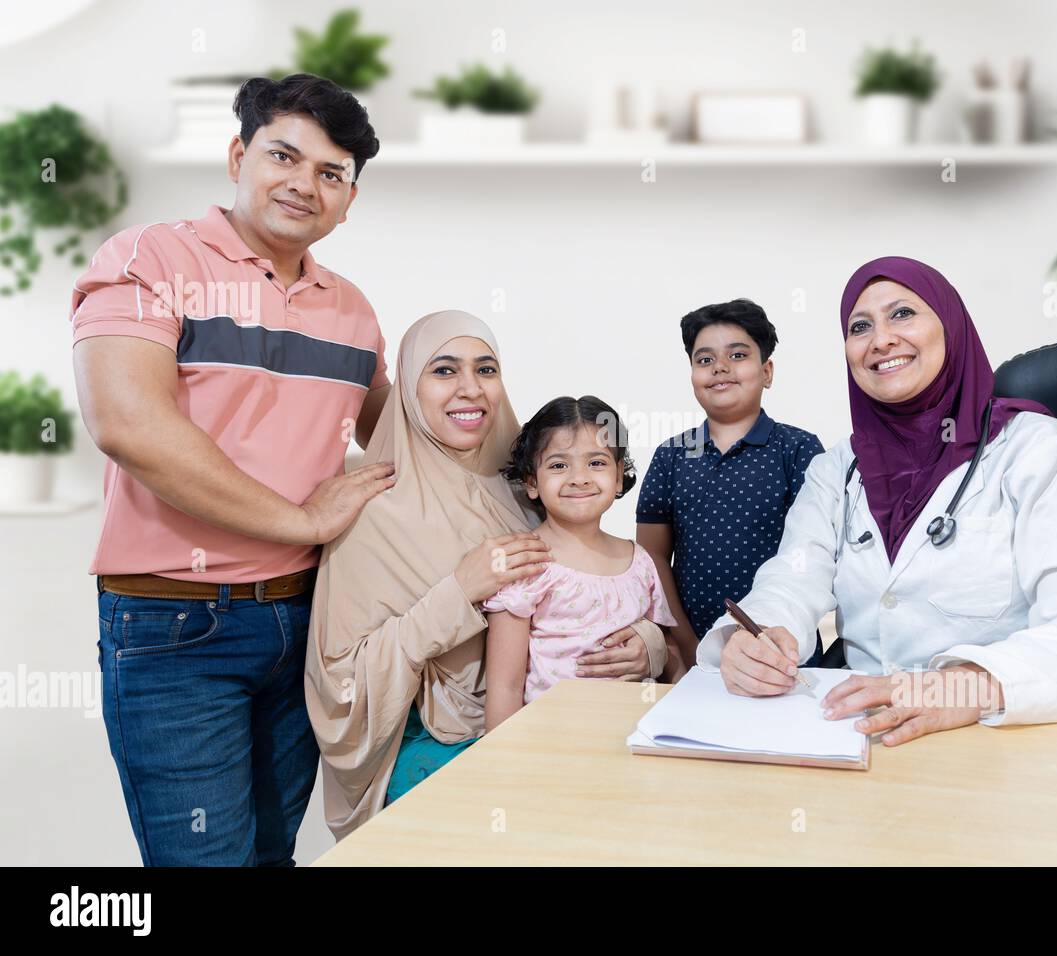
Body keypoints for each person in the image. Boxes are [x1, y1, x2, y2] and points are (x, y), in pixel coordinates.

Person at [72, 74, 392, 865]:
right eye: (285, 155)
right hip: (176, 629)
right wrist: (301, 521)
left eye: (332, 174)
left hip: (310, 623)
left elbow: (411, 445)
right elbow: (131, 426)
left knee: (273, 856)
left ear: (349, 200)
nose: (305, 184)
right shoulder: (149, 257)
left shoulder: (351, 308)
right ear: (238, 155)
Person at [703, 256, 1057, 746]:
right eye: (861, 326)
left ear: (951, 329)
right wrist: (759, 637)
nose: (881, 340)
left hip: (1035, 738)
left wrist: (962, 688)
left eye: (902, 314)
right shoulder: (836, 469)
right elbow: (790, 580)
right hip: (876, 739)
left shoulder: (1045, 452)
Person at [305, 312, 667, 838]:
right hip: (445, 745)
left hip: (571, 731)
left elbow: (597, 583)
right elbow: (339, 686)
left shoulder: (526, 487)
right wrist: (458, 593)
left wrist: (647, 642)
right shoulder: (372, 504)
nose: (470, 390)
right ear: (407, 387)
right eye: (445, 371)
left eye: (487, 369)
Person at [636, 299, 824, 671]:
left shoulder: (799, 450)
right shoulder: (671, 455)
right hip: (689, 651)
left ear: (767, 372)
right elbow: (652, 558)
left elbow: (813, 556)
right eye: (704, 360)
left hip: (781, 648)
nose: (720, 367)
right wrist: (686, 645)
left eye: (738, 355)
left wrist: (775, 641)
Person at [484, 396, 681, 731]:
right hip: (553, 745)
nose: (579, 478)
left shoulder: (640, 563)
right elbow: (505, 686)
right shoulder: (527, 566)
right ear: (531, 481)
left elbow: (666, 654)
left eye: (597, 463)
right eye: (559, 465)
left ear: (619, 476)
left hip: (633, 738)